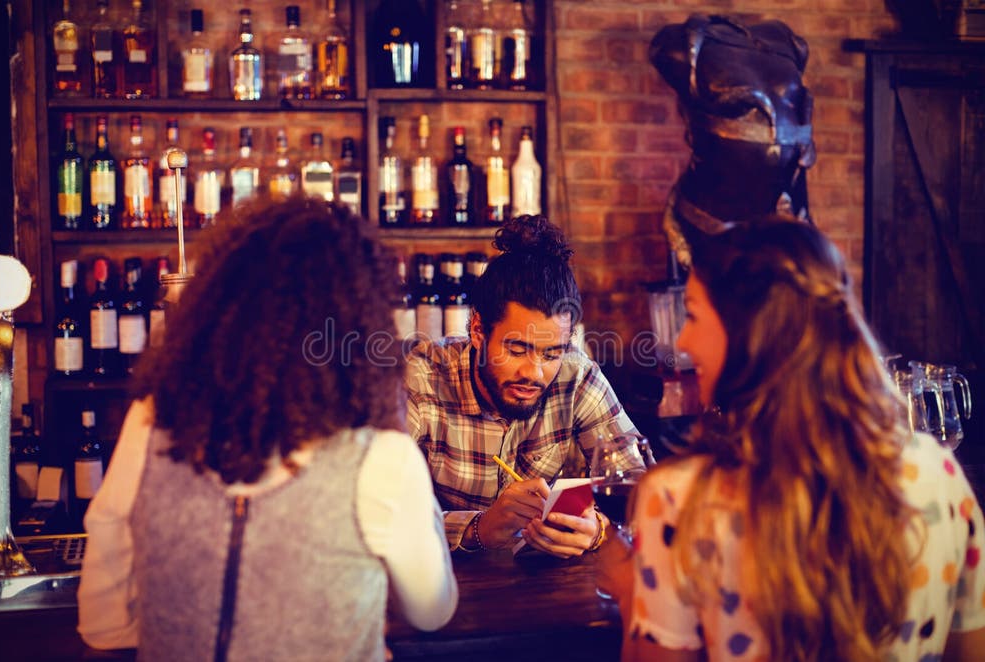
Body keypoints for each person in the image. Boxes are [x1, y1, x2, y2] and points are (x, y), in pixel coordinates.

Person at [77, 196, 458, 660]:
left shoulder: (152, 418)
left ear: (217, 308)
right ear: (358, 326)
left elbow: (105, 622)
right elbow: (431, 611)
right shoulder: (381, 458)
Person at [601, 219, 985, 660]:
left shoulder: (680, 499)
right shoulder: (939, 474)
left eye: (692, 315)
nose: (683, 340)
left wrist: (631, 592)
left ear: (751, 332)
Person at [406, 215, 644, 558]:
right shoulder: (424, 376)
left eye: (551, 353)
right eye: (517, 350)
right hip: (444, 582)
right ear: (478, 330)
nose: (534, 373)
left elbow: (642, 491)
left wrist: (598, 531)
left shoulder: (576, 375)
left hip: (546, 583)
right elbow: (375, 509)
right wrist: (476, 529)